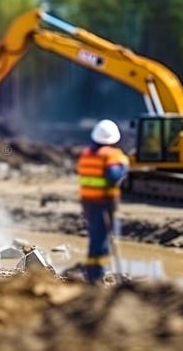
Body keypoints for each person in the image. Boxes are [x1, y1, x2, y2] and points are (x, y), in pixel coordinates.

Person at [76, 119, 129, 284]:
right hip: (103, 203)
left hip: (88, 202)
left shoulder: (86, 154)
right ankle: (96, 276)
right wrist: (124, 166)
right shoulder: (111, 155)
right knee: (102, 241)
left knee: (96, 238)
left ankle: (94, 273)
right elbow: (113, 177)